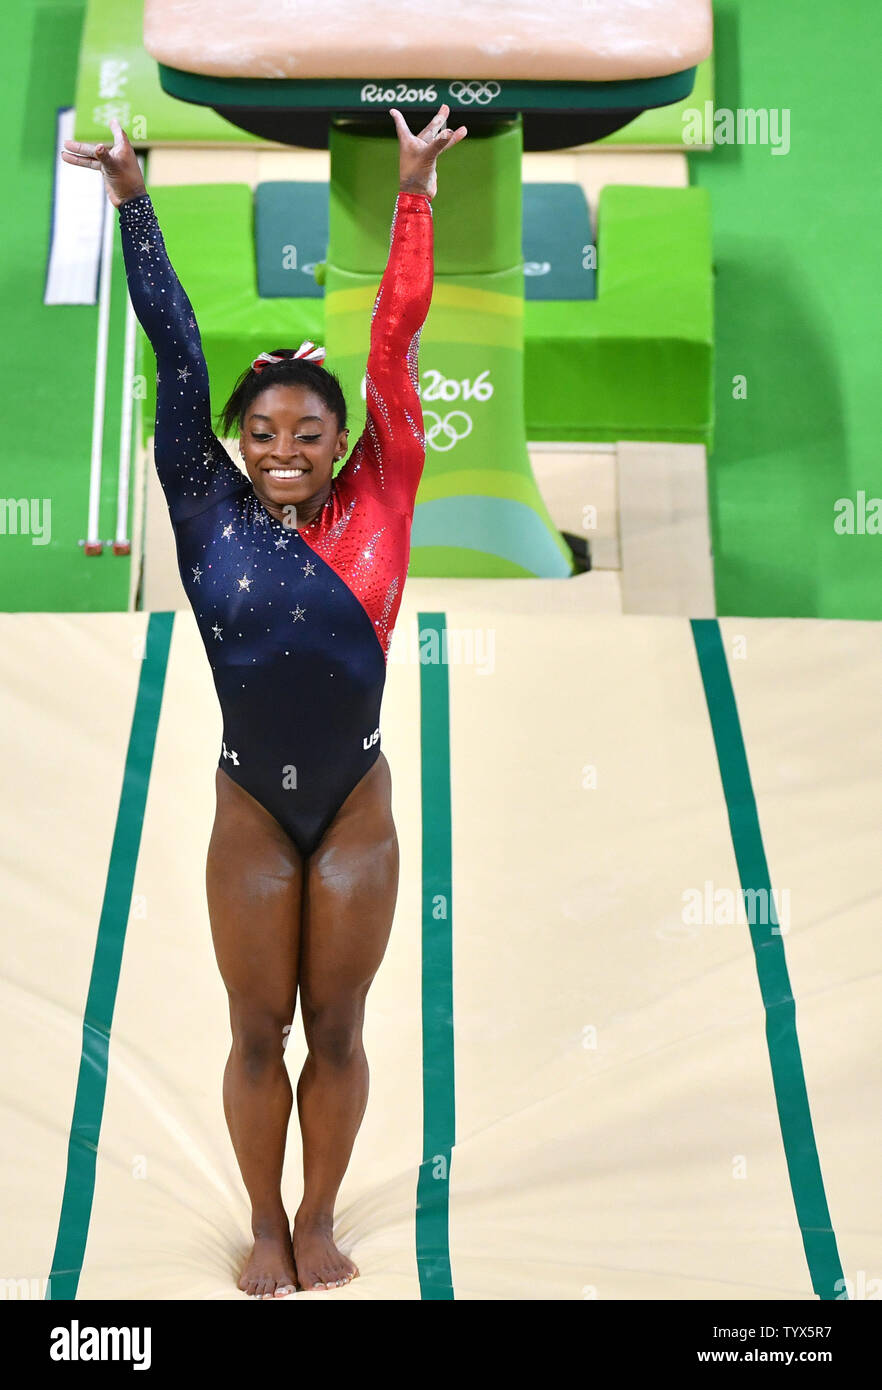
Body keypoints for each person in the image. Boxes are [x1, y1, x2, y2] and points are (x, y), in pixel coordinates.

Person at [62, 104, 467, 1297]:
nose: (284, 445)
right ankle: (261, 1217)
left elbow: (394, 339)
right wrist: (135, 200)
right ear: (234, 441)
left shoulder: (380, 497)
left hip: (354, 804)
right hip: (252, 804)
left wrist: (412, 193)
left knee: (335, 1029)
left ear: (348, 441)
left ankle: (321, 1209)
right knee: (256, 1033)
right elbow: (174, 349)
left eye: (309, 430)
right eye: (264, 430)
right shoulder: (204, 505)